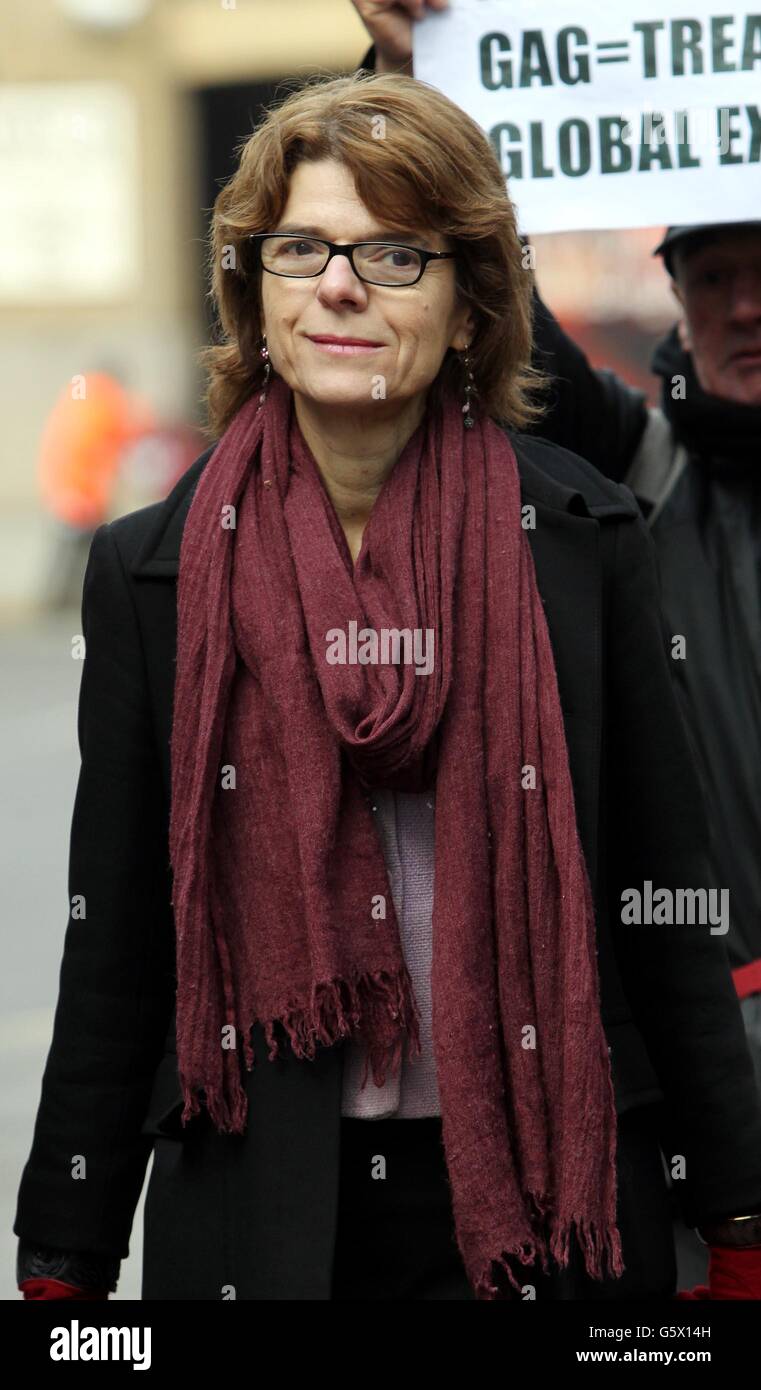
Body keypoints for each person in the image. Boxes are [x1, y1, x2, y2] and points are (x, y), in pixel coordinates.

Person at [14, 68, 761, 1302]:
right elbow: (117, 945)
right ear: (255, 297)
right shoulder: (153, 570)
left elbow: (661, 895)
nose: (342, 284)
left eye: (396, 253)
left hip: (550, 1206)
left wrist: (735, 1213)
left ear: (471, 309)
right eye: (301, 247)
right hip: (263, 1201)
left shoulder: (582, 539)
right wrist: (63, 1255)